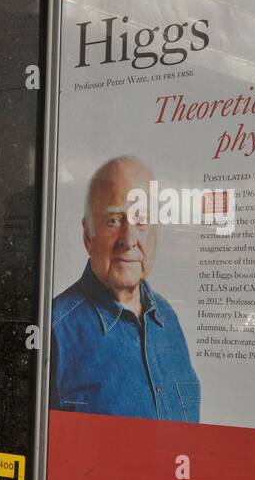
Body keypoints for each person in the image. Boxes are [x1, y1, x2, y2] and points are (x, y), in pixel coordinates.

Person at [50, 155, 200, 422]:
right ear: (88, 235)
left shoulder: (167, 319)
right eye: (114, 220)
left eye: (141, 220)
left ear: (155, 234)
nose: (129, 240)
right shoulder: (55, 330)